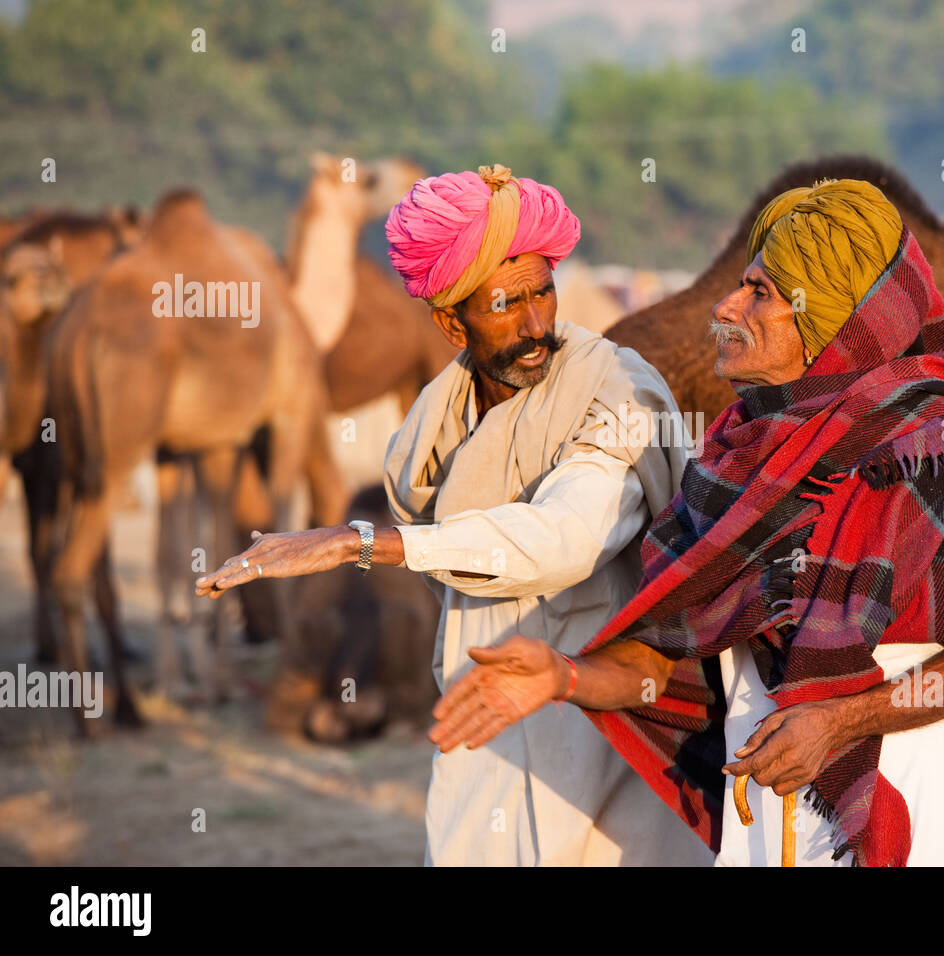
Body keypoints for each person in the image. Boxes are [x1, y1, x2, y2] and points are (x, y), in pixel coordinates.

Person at [427, 177, 944, 867]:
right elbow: (662, 665)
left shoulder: (927, 452)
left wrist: (842, 720)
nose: (724, 308)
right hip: (766, 814)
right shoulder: (733, 462)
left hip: (920, 805)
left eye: (759, 293)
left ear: (833, 324)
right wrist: (560, 675)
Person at [196, 164, 714, 867]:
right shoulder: (436, 420)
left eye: (543, 293)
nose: (536, 325)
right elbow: (422, 495)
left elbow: (566, 538)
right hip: (485, 724)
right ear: (450, 320)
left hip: (612, 734)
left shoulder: (615, 390)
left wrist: (359, 542)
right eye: (506, 304)